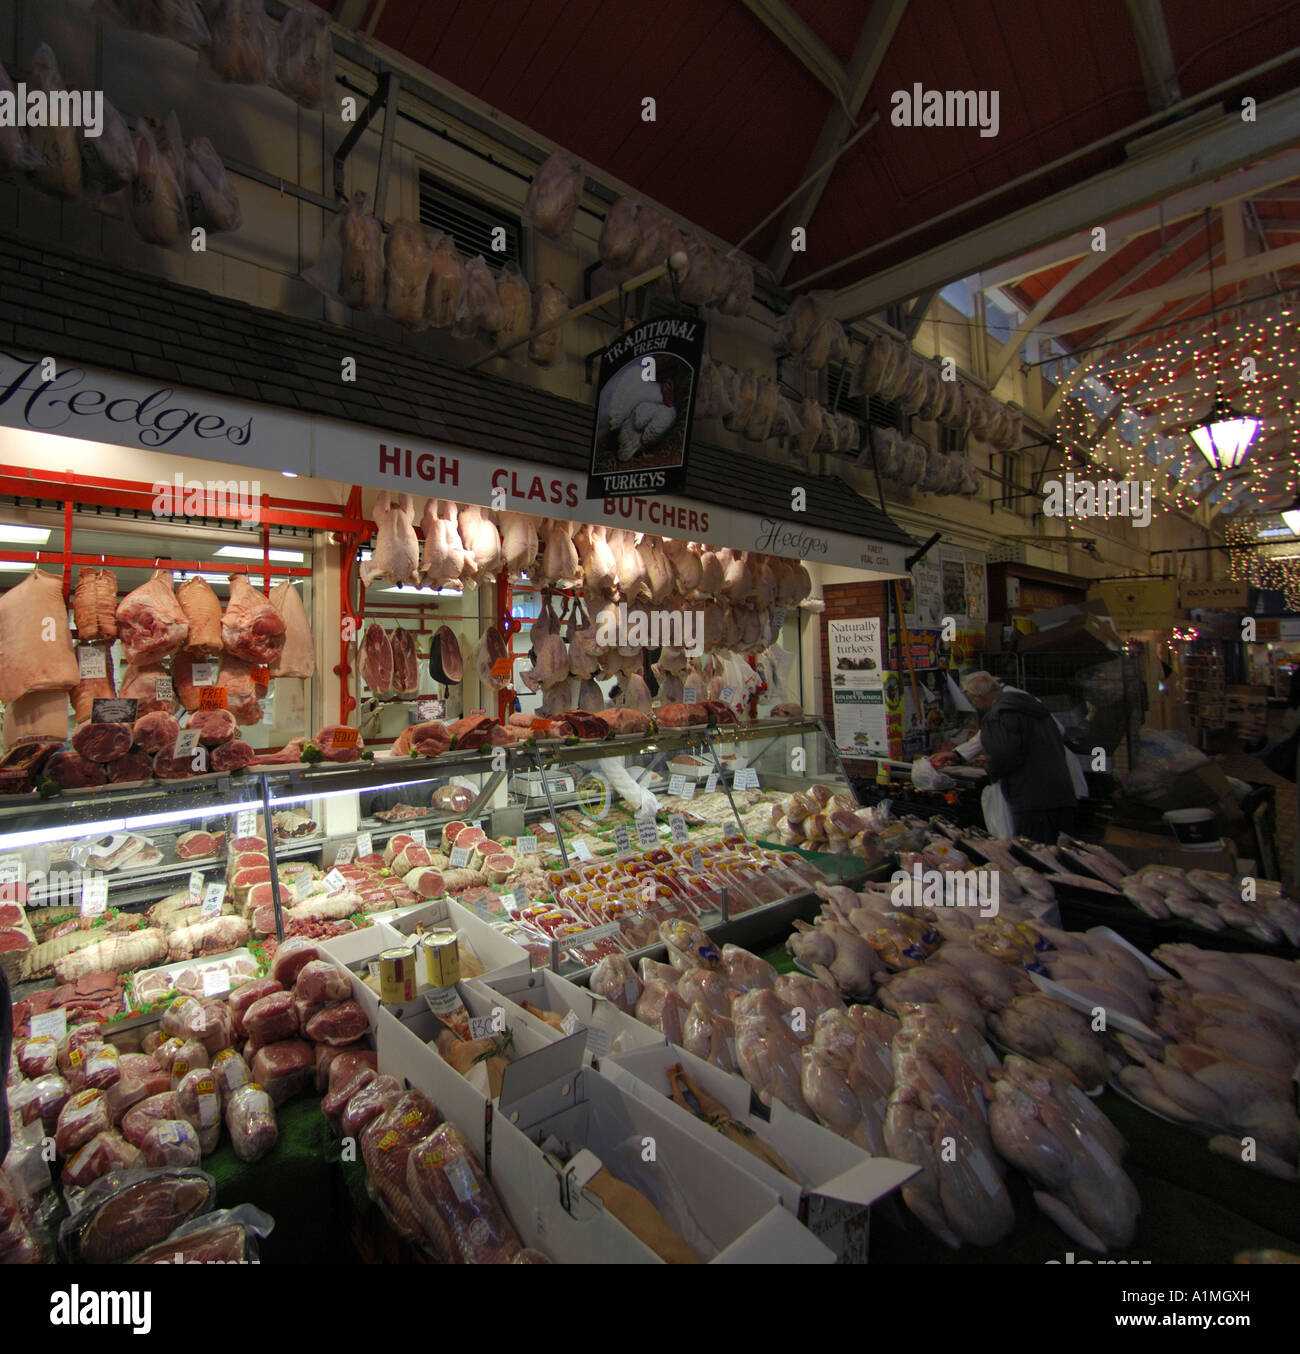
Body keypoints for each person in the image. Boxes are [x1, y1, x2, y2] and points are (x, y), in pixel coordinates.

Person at [935, 671, 1078, 841]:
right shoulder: (1031, 706)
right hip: (1060, 790)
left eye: (972, 700)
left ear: (977, 697)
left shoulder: (998, 714)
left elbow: (1004, 754)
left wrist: (992, 769)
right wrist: (960, 754)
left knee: (1034, 851)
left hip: (1030, 796)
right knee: (1059, 851)